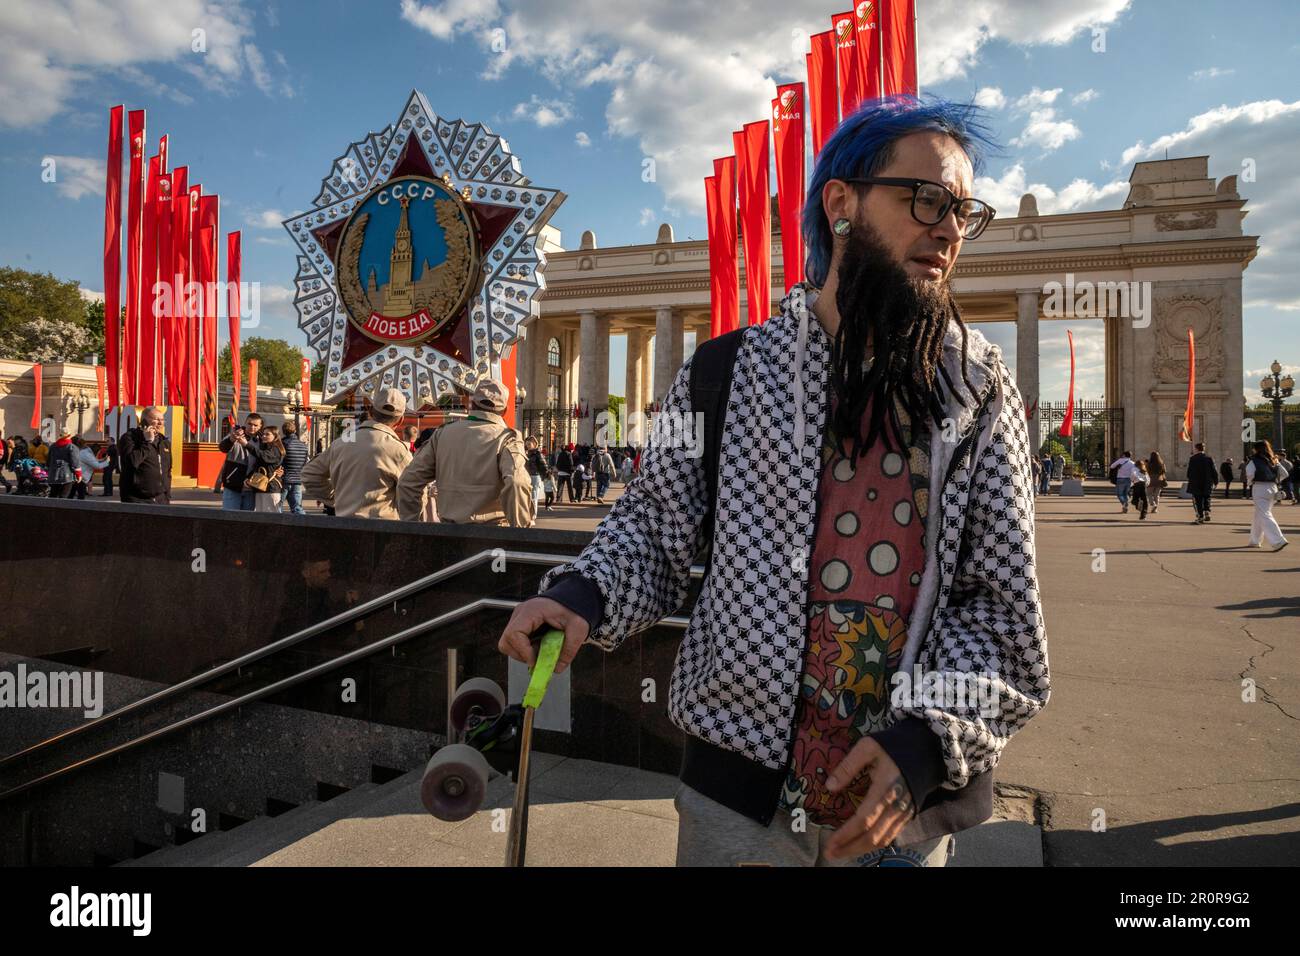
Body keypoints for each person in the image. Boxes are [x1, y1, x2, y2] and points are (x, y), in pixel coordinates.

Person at [497, 97, 1048, 868]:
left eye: (963, 210)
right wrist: (581, 594)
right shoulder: (727, 372)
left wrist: (923, 748)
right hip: (737, 802)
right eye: (925, 199)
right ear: (842, 203)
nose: (949, 228)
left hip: (899, 818)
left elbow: (1002, 612)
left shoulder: (978, 393)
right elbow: (655, 531)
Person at [397, 378, 534, 527]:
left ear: (472, 404)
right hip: (492, 534)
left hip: (449, 531)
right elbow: (517, 482)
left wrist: (411, 525)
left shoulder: (443, 434)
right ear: (505, 410)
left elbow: (408, 482)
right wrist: (519, 530)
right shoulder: (507, 438)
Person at [302, 388, 411, 519]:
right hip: (383, 528)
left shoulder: (341, 443)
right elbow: (413, 492)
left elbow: (309, 475)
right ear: (400, 420)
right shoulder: (399, 451)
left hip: (345, 525)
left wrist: (338, 498)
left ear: (370, 411)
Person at [118, 406, 172, 504]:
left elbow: (167, 470)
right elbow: (132, 462)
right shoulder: (130, 438)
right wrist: (147, 442)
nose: (160, 423)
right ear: (144, 421)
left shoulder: (164, 441)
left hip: (161, 500)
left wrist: (167, 494)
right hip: (136, 499)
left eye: (162, 420)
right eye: (156, 419)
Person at [1245, 440, 1289, 551]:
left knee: (1264, 514)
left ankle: (1278, 540)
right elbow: (1285, 474)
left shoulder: (1253, 460)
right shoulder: (1274, 459)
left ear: (1256, 449)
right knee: (1259, 514)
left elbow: (1250, 474)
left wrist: (1250, 483)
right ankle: (1255, 540)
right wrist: (1275, 481)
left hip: (1259, 488)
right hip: (1273, 488)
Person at [218, 413, 264, 511]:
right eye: (250, 424)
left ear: (260, 426)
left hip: (252, 486)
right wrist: (231, 439)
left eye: (256, 425)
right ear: (245, 423)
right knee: (230, 517)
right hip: (233, 484)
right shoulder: (235, 434)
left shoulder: (263, 441)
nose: (252, 427)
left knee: (247, 520)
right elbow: (223, 448)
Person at [280, 421, 309, 515]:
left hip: (284, 479)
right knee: (297, 507)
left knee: (277, 506)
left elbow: (279, 461)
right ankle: (304, 526)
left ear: (283, 431)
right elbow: (305, 462)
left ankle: (277, 528)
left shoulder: (282, 444)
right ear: (295, 430)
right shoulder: (303, 446)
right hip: (297, 480)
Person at [1186, 442, 1218, 524]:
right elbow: (1214, 471)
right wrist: (1216, 481)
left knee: (1198, 500)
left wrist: (1190, 479)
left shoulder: (1193, 459)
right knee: (1207, 497)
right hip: (1207, 482)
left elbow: (1189, 472)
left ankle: (1200, 516)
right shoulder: (1209, 458)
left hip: (1196, 483)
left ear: (1196, 449)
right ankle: (1207, 511)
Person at [45, 428, 81, 499]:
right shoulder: (72, 447)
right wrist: (79, 474)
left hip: (53, 475)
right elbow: (75, 463)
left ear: (60, 435)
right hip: (67, 475)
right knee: (64, 497)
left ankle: (51, 509)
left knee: (53, 495)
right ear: (69, 435)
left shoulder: (52, 446)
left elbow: (48, 461)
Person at [523, 436, 548, 510]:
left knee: (534, 496)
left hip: (535, 476)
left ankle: (533, 514)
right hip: (527, 476)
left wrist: (544, 477)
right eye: (526, 444)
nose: (527, 446)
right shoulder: (526, 454)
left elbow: (544, 466)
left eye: (529, 444)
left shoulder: (538, 454)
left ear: (534, 444)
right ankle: (528, 513)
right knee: (527, 496)